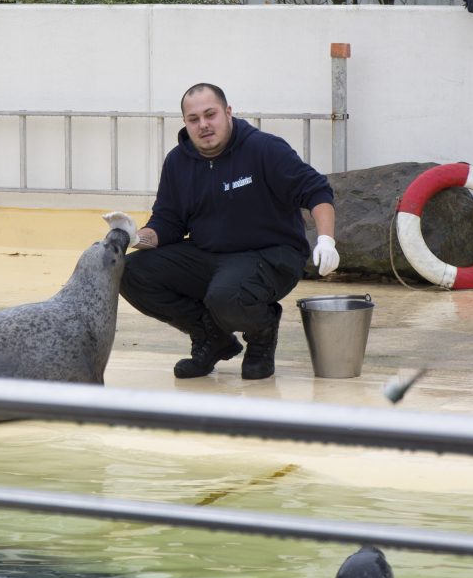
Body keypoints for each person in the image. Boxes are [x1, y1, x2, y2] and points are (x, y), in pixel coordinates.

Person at [120, 83, 340, 380]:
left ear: (228, 112)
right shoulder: (177, 162)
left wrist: (326, 240)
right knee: (127, 271)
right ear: (185, 122)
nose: (204, 125)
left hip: (270, 256)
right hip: (210, 255)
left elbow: (316, 191)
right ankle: (211, 337)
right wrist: (133, 237)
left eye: (210, 115)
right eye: (194, 119)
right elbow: (167, 223)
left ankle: (262, 333)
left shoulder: (264, 149)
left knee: (226, 296)